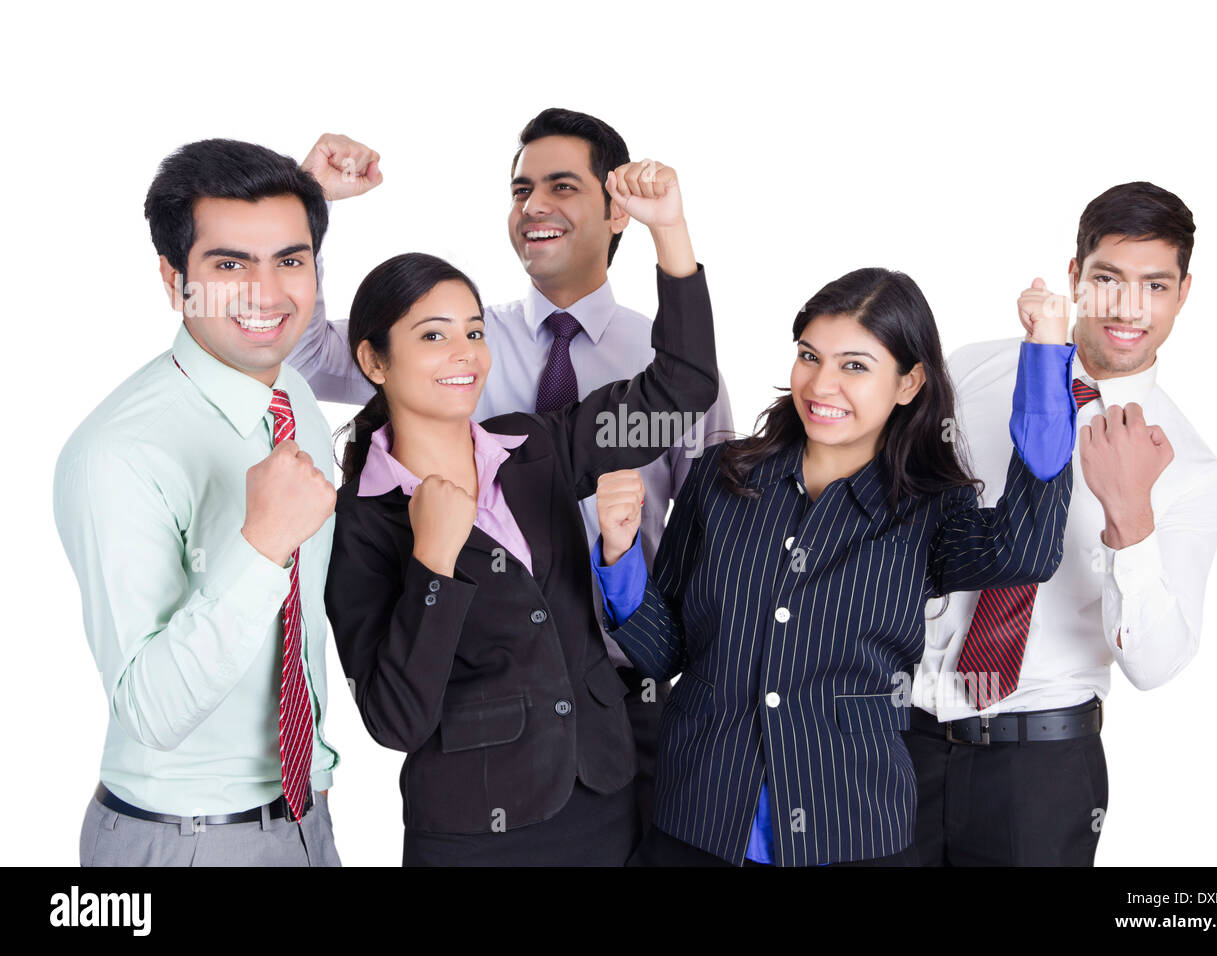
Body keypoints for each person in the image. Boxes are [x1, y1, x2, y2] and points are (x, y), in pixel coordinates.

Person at [287, 109, 734, 839]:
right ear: (379, 363)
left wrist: (673, 229)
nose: (464, 352)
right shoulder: (364, 516)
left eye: (468, 334)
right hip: (479, 796)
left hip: (616, 737)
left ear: (613, 210)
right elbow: (304, 352)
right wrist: (305, 202)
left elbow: (688, 393)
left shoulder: (535, 442)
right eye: (521, 188)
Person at [590, 266, 1078, 866]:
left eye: (854, 365)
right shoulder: (724, 476)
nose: (821, 385)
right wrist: (619, 555)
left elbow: (1027, 549)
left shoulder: (928, 507)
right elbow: (664, 655)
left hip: (850, 831)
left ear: (909, 383)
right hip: (699, 822)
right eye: (809, 356)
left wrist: (1046, 355)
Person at [904, 182, 1217, 866]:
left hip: (1039, 770)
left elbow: (1157, 663)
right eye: (1109, 279)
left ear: (1184, 293)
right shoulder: (974, 370)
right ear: (1076, 274)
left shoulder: (1192, 470)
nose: (1128, 308)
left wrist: (1130, 518)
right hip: (901, 740)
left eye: (1155, 286)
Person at [53, 139, 342, 866]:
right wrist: (261, 547)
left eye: (291, 260)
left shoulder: (293, 396)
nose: (267, 294)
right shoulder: (118, 453)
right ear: (174, 280)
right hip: (184, 841)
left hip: (308, 821)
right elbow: (150, 712)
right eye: (228, 265)